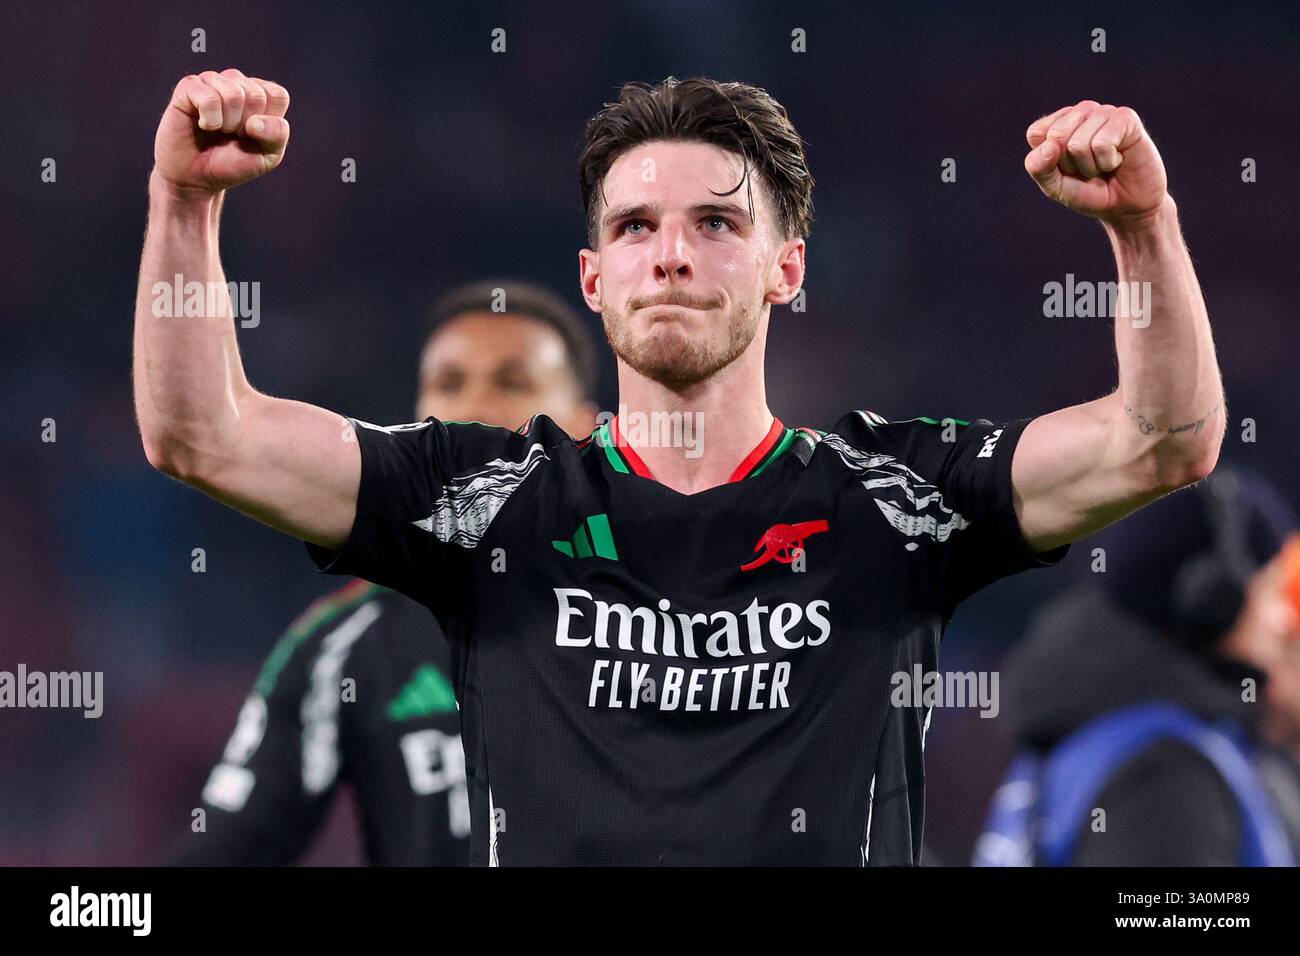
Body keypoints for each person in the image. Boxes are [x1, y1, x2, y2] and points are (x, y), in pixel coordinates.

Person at [134, 71, 1225, 865]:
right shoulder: (481, 500)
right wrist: (186, 206)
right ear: (594, 275)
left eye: (715, 222)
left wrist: (1143, 228)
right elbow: (203, 435)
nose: (670, 252)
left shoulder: (898, 495)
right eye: (637, 225)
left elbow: (1164, 439)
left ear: (785, 266)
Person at [170, 281, 598, 865]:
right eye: (449, 383)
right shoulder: (344, 646)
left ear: (582, 424)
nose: (473, 407)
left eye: (512, 382)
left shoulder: (664, 612)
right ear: (418, 425)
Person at [974, 466, 1300, 866]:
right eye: (1269, 591)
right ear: (1212, 600)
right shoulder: (1169, 778)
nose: (1281, 621)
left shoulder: (1088, 743)